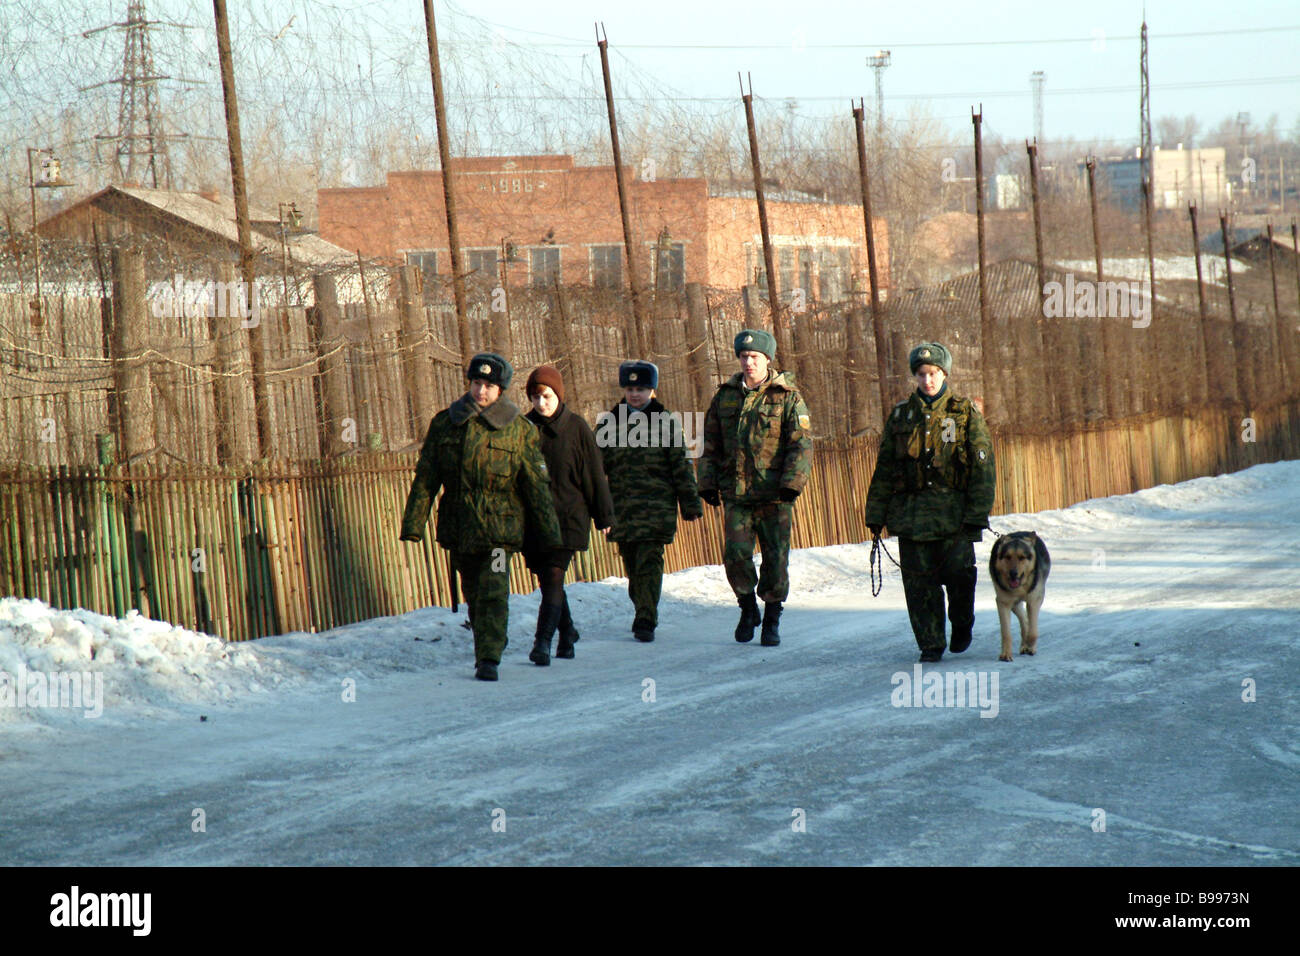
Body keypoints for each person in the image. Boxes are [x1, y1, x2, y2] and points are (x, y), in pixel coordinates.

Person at [400, 352, 562, 681]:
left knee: (494, 590)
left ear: (500, 389)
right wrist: (414, 524)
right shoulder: (445, 424)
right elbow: (426, 477)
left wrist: (550, 534)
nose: (481, 391)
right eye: (477, 383)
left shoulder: (519, 430)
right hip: (460, 528)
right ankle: (484, 647)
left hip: (500, 530)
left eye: (488, 385)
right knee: (474, 593)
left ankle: (489, 656)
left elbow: (536, 485)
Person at [863, 341, 996, 663]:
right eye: (922, 374)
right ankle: (930, 644)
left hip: (955, 517)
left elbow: (983, 467)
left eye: (933, 373)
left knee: (960, 578)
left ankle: (962, 624)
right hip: (912, 517)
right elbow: (885, 468)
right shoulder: (901, 416)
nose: (928, 380)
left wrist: (977, 514)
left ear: (944, 373)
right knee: (920, 586)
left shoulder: (964, 413)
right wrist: (875, 513)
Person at [699, 329, 812, 647]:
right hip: (736, 493)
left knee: (776, 559)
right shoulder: (725, 396)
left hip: (775, 496)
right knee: (735, 556)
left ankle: (772, 617)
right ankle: (748, 609)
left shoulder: (787, 397)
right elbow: (711, 444)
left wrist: (792, 483)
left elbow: (800, 445)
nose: (749, 362)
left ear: (767, 360)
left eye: (755, 357)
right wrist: (706, 482)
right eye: (744, 357)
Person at [598, 360, 703, 642]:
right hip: (623, 509)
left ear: (652, 390)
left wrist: (690, 504)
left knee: (649, 561)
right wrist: (598, 506)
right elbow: (597, 468)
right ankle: (641, 605)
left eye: (641, 388)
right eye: (631, 388)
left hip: (656, 508)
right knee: (632, 566)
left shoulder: (667, 422)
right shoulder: (610, 422)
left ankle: (646, 617)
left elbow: (681, 466)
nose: (635, 394)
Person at [522, 364, 615, 665]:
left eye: (547, 396)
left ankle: (542, 643)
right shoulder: (523, 429)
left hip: (568, 518)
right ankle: (568, 633)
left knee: (553, 575)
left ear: (558, 395)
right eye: (535, 398)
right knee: (549, 583)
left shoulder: (576, 428)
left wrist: (605, 517)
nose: (541, 403)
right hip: (534, 522)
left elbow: (594, 477)